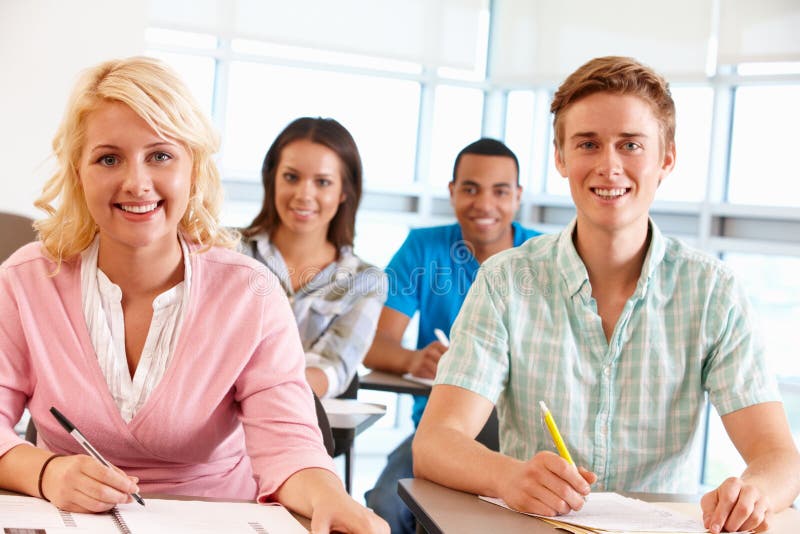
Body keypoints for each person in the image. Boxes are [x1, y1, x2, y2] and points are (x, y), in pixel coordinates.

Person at [412, 56, 800, 534]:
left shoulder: (713, 293)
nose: (609, 166)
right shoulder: (505, 281)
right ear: (561, 158)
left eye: (631, 145)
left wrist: (752, 492)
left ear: (667, 159)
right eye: (588, 144)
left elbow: (778, 456)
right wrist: (507, 475)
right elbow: (435, 443)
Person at [0, 56, 387, 533]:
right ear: (78, 171)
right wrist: (44, 471)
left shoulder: (251, 292)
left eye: (160, 155)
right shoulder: (27, 280)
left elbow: (289, 443)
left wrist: (329, 497)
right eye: (108, 158)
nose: (136, 182)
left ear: (194, 168)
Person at [363, 138, 540, 533]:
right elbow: (374, 344)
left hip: (527, 440)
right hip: (441, 435)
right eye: (471, 188)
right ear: (452, 191)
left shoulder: (543, 254)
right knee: (385, 508)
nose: (484, 204)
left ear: (518, 197)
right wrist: (414, 360)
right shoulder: (423, 248)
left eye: (500, 191)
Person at [241, 117, 386, 399]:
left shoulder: (365, 281)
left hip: (297, 427)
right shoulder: (225, 251)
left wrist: (255, 390)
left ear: (344, 191)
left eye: (322, 182)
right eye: (291, 177)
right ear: (272, 179)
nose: (304, 194)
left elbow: (332, 371)